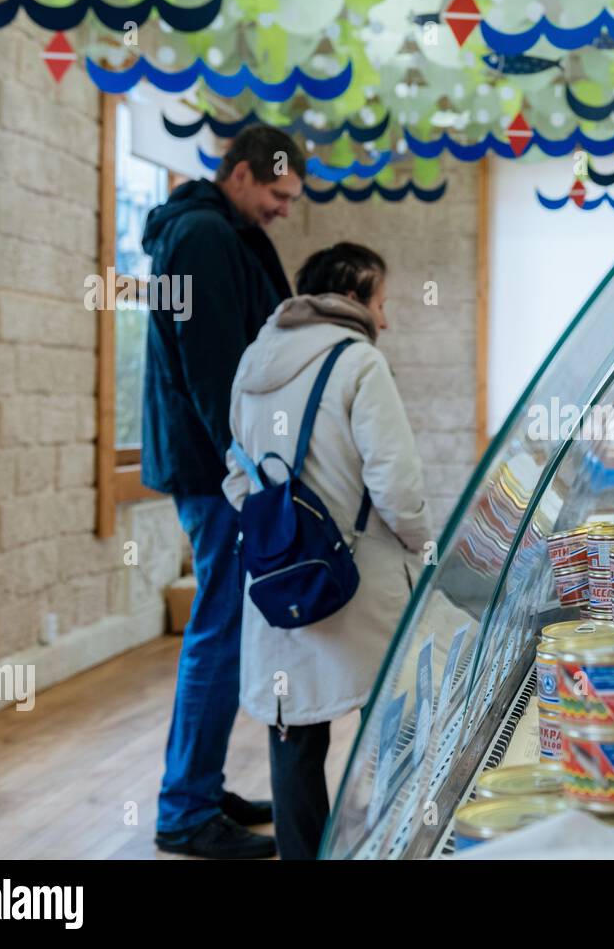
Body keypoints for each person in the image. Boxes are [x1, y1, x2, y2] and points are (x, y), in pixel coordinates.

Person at [222, 243, 433, 860]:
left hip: (277, 577)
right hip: (360, 580)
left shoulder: (252, 363)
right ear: (354, 293)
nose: (386, 319)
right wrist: (428, 547)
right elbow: (396, 483)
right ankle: (394, 846)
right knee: (395, 715)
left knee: (293, 727)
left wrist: (278, 530)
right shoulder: (359, 363)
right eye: (382, 301)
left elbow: (235, 475)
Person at [141, 125, 306, 859]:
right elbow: (212, 372)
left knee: (225, 629)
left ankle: (198, 787)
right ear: (240, 174)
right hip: (218, 473)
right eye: (277, 194)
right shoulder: (203, 237)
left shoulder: (213, 230)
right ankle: (184, 810)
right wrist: (246, 476)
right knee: (215, 629)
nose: (282, 209)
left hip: (217, 466)